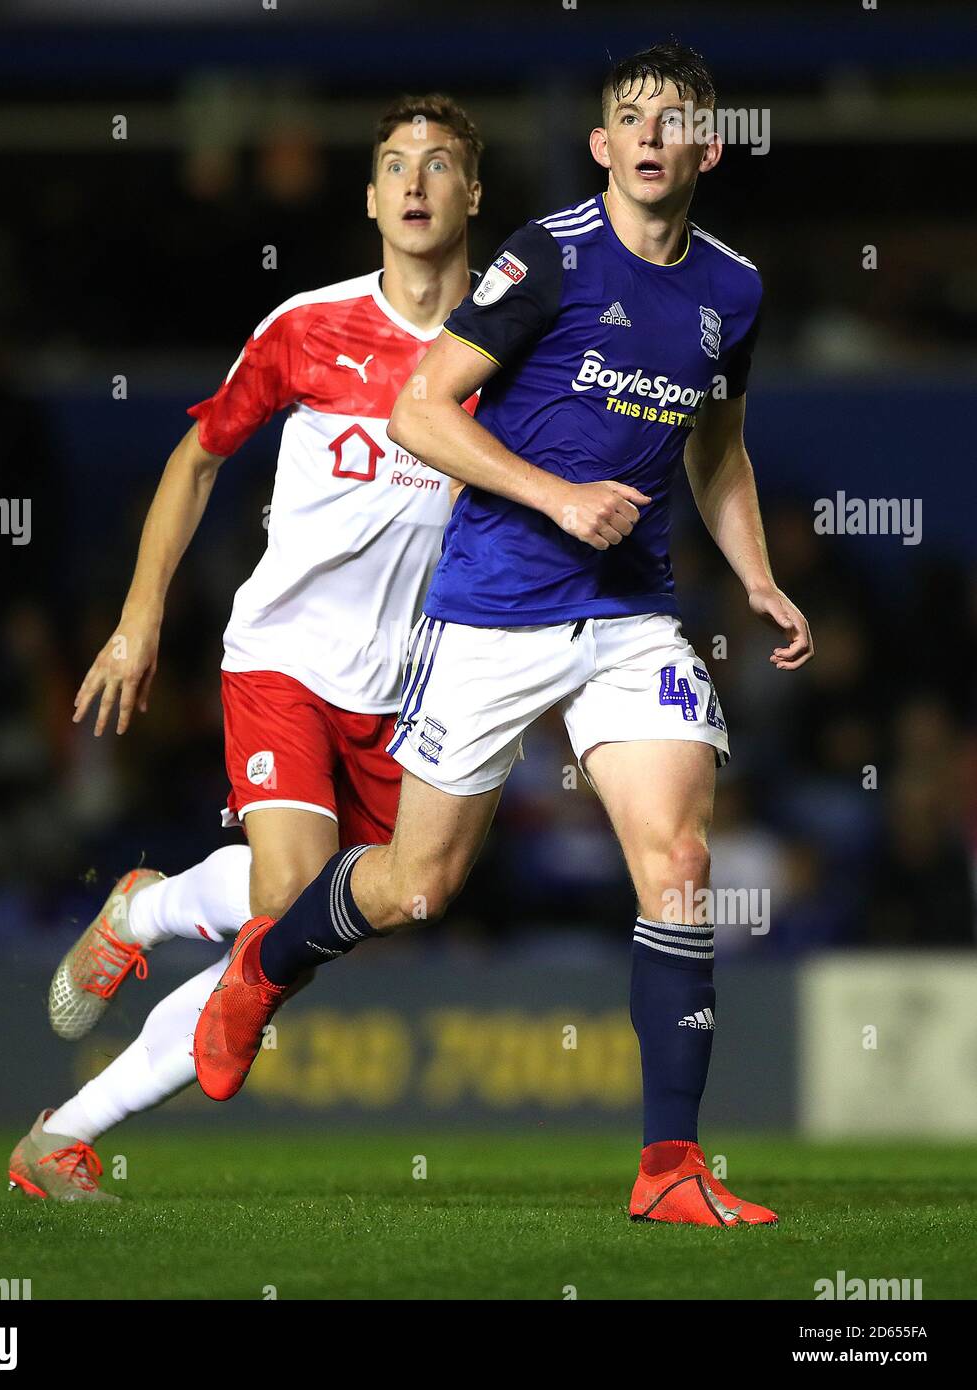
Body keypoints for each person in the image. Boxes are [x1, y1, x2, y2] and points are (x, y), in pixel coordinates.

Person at [194, 42, 814, 1228]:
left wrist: (760, 578)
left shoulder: (732, 288)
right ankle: (262, 968)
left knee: (679, 867)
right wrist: (555, 497)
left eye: (670, 118)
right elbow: (420, 410)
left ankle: (668, 1166)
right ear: (600, 145)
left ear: (706, 146)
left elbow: (715, 448)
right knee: (416, 886)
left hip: (632, 612)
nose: (646, 133)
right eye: (627, 116)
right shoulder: (548, 256)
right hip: (495, 604)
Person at [7, 94, 484, 1201]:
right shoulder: (307, 325)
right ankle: (61, 1135)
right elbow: (199, 457)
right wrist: (139, 617)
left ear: (472, 195)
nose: (415, 184)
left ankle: (137, 934)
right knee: (286, 900)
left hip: (408, 692)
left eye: (440, 165)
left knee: (309, 937)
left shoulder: (503, 351)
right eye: (396, 166)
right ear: (369, 198)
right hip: (284, 657)